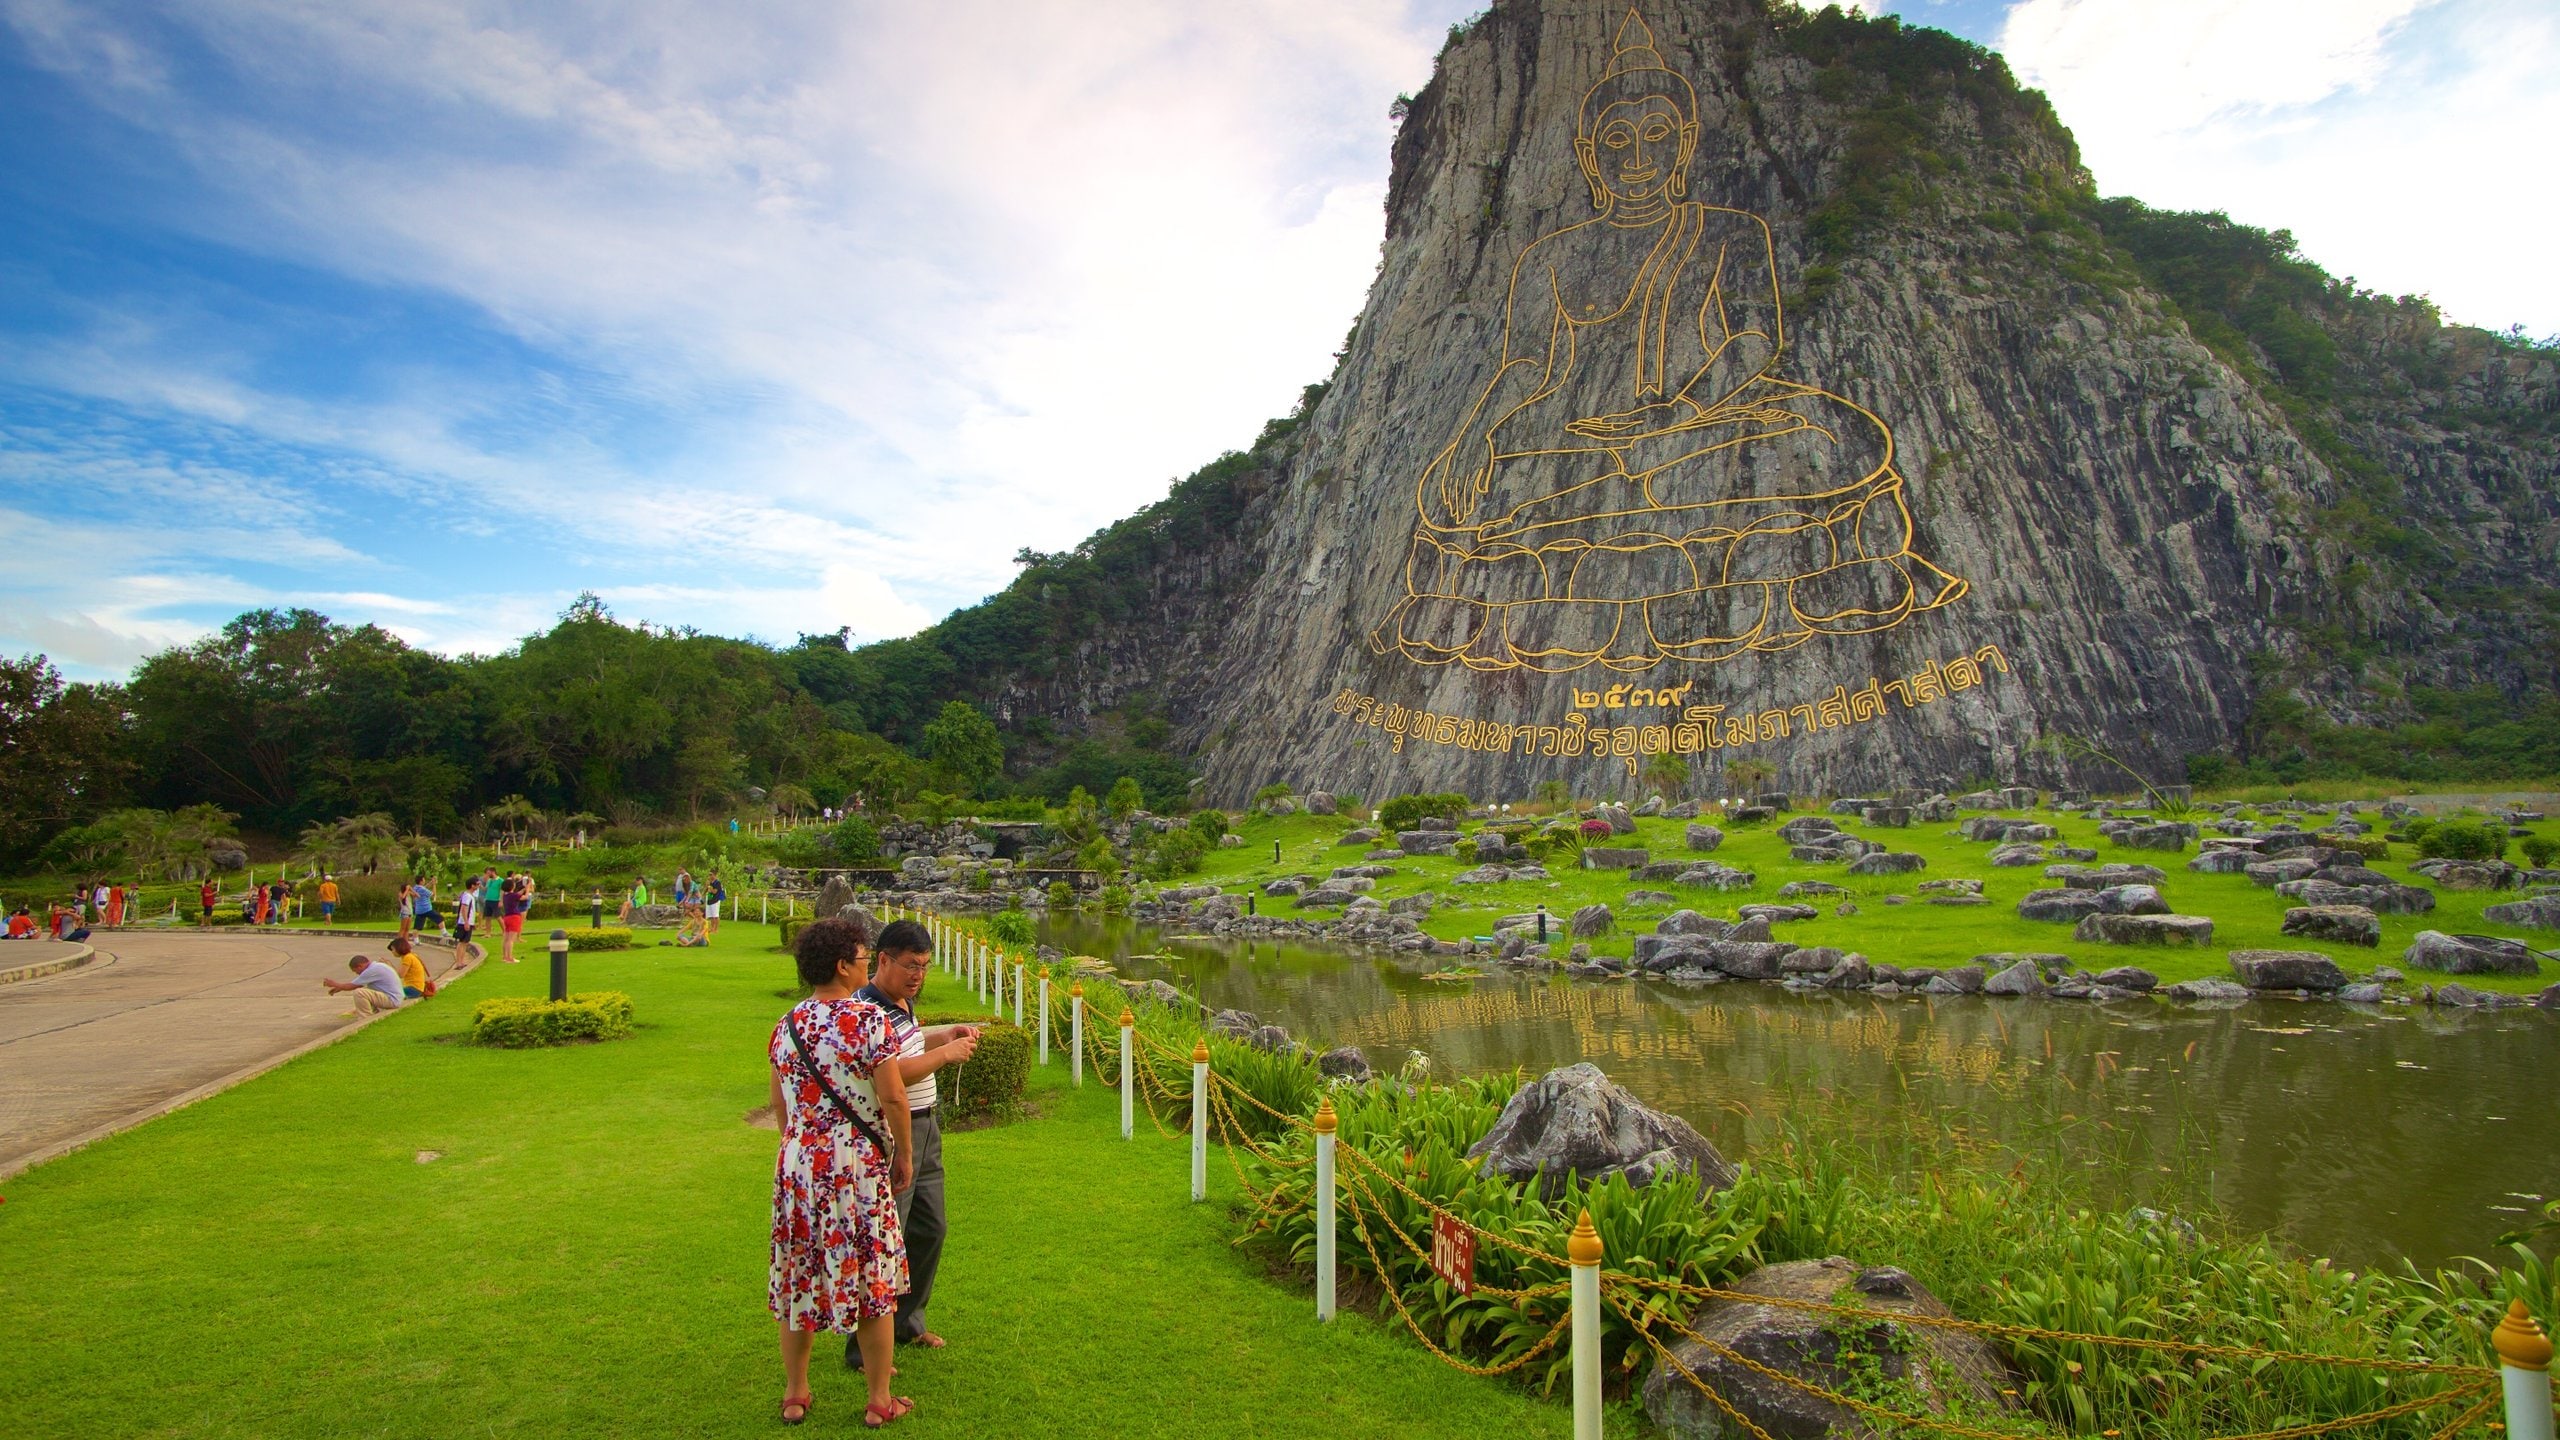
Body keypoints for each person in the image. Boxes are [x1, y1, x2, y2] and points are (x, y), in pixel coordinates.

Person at [768, 917, 914, 1428]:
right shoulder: (868, 1021)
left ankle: (795, 1391)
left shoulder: (785, 1026)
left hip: (800, 1165)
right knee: (874, 1280)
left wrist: (801, 1147)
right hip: (856, 1165)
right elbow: (893, 1095)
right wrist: (903, 1153)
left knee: (799, 1277)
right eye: (859, 956)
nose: (862, 964)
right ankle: (878, 1398)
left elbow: (780, 1106)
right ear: (841, 966)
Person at [845, 918, 977, 1369]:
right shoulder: (866, 1010)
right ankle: (861, 1347)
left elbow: (909, 1046)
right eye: (910, 965)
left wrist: (945, 1035)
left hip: (926, 1128)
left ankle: (907, 1323)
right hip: (892, 1132)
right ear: (882, 960)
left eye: (924, 965)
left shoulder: (900, 1002)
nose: (918, 974)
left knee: (929, 1228)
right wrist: (946, 1055)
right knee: (887, 1238)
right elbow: (889, 1073)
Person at [323, 954, 405, 1015]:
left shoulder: (371, 970)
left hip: (392, 1000)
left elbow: (352, 986)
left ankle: (365, 1018)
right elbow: (359, 983)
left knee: (359, 993)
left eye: (356, 971)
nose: (357, 974)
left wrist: (334, 984)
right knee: (367, 990)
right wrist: (340, 988)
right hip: (395, 998)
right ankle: (375, 1013)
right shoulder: (377, 966)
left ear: (360, 966)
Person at [499, 874, 529, 964]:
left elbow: (517, 894)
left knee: (506, 938)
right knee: (511, 939)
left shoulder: (506, 895)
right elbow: (525, 897)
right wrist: (527, 890)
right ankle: (510, 958)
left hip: (507, 917)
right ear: (512, 886)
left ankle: (505, 956)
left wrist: (523, 889)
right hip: (514, 917)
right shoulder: (513, 896)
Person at [451, 881, 483, 963]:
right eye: (477, 884)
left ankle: (461, 961)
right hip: (464, 922)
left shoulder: (469, 895)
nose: (478, 886)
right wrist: (466, 922)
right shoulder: (467, 896)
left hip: (468, 921)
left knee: (465, 942)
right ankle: (459, 962)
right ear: (472, 885)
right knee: (462, 942)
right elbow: (464, 908)